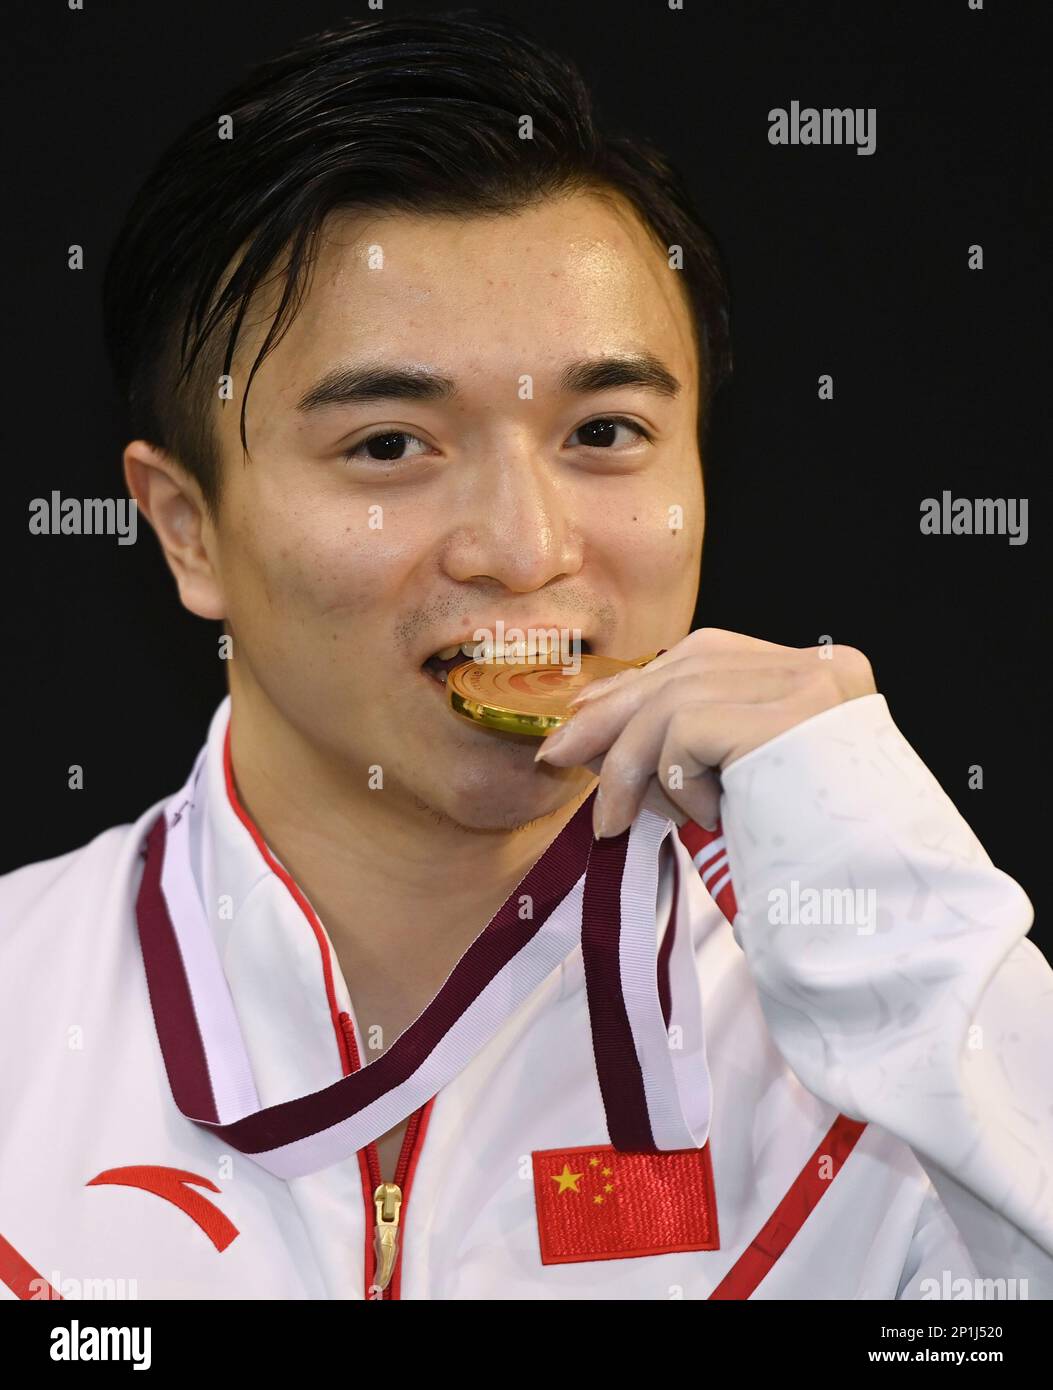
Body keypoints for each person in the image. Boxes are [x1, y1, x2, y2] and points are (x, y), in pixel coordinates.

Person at [1, 10, 1049, 1302]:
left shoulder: (887, 1026)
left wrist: (909, 924)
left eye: (604, 431)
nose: (525, 545)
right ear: (187, 527)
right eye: (389, 444)